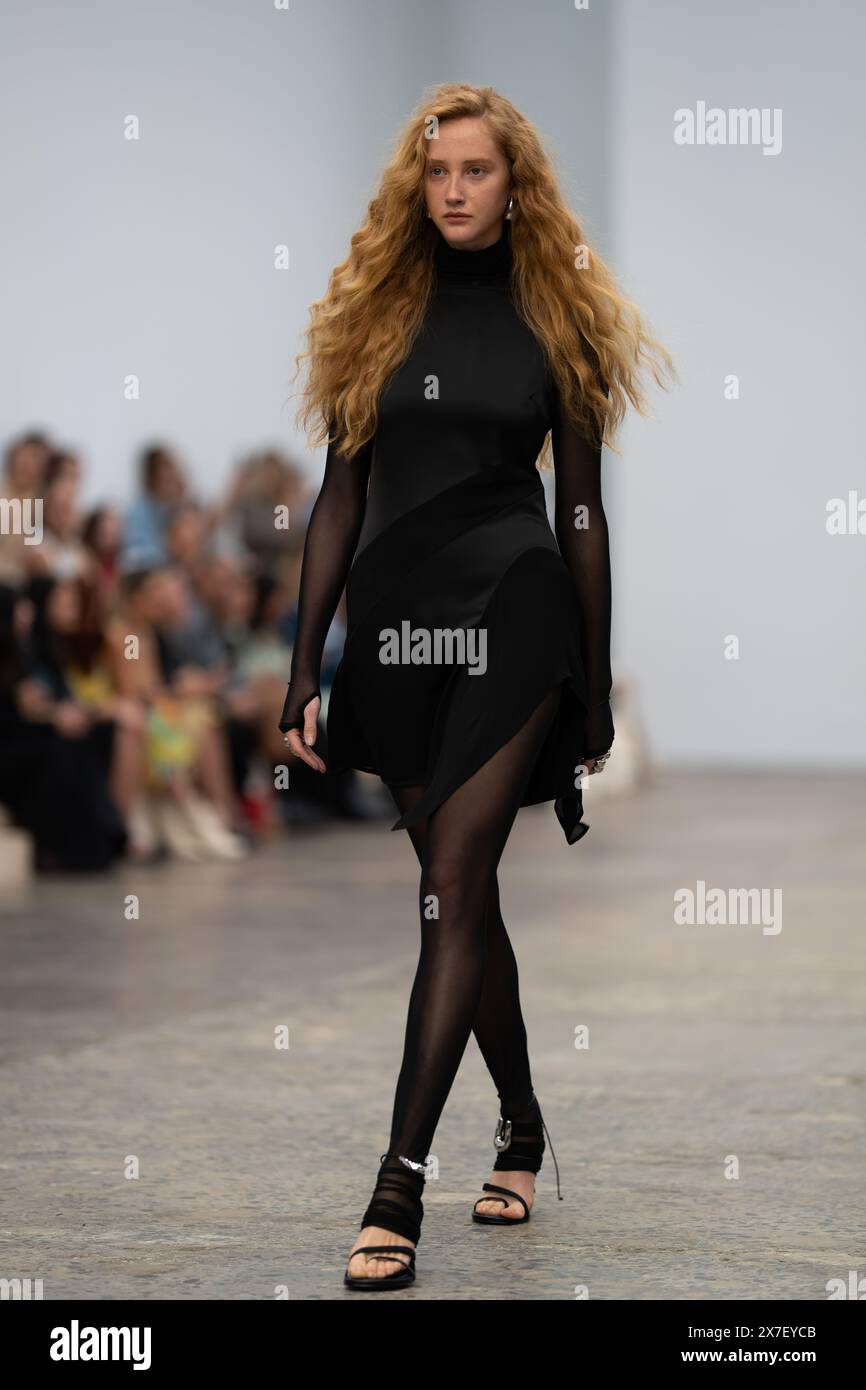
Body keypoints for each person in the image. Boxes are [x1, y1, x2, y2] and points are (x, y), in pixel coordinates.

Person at [278, 82, 674, 1290]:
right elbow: (340, 498)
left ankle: (396, 1183)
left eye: (476, 170)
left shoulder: (555, 321)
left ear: (515, 185)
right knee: (463, 896)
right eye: (437, 170)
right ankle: (523, 1126)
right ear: (417, 182)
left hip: (515, 607)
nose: (454, 189)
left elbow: (583, 508)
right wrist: (306, 663)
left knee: (451, 878)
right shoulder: (372, 318)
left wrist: (593, 684)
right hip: (397, 625)